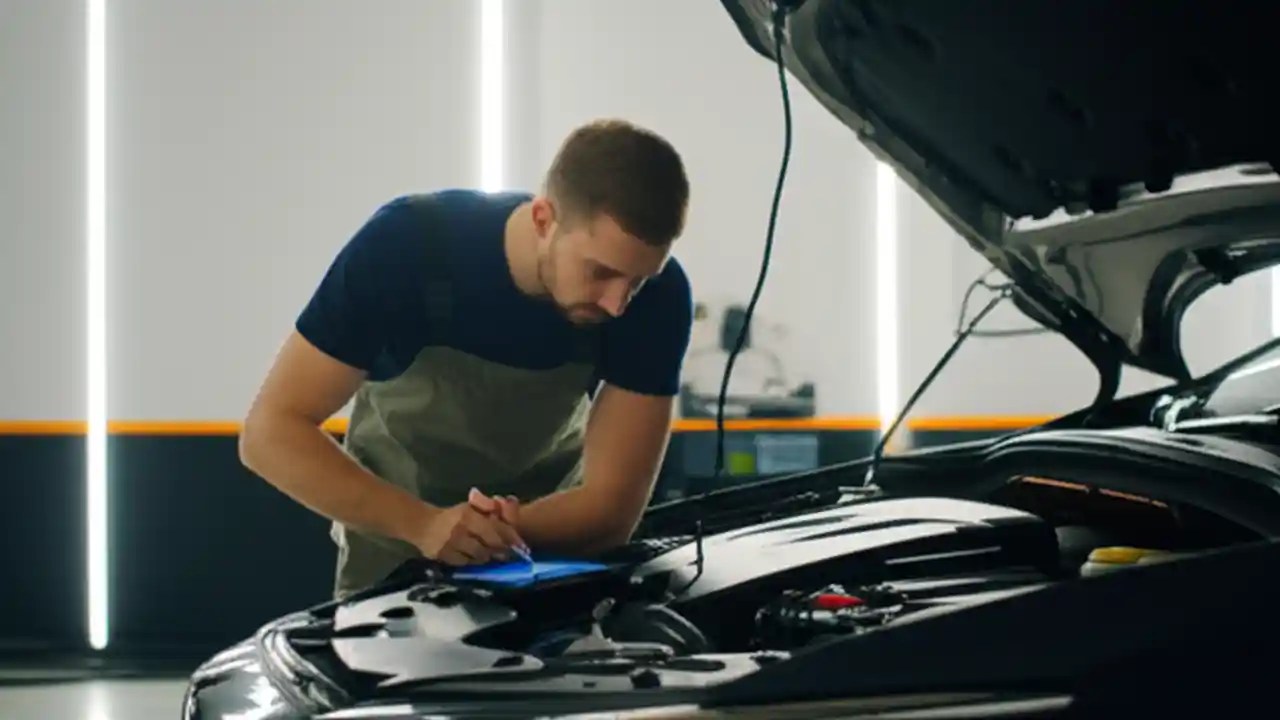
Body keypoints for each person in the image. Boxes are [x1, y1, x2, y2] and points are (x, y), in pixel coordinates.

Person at [238, 119, 694, 598]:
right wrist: (425, 524)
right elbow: (270, 432)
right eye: (600, 272)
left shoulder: (658, 298)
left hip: (548, 554)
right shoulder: (407, 248)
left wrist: (488, 533)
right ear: (543, 219)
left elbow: (610, 509)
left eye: (637, 282)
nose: (616, 305)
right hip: (395, 554)